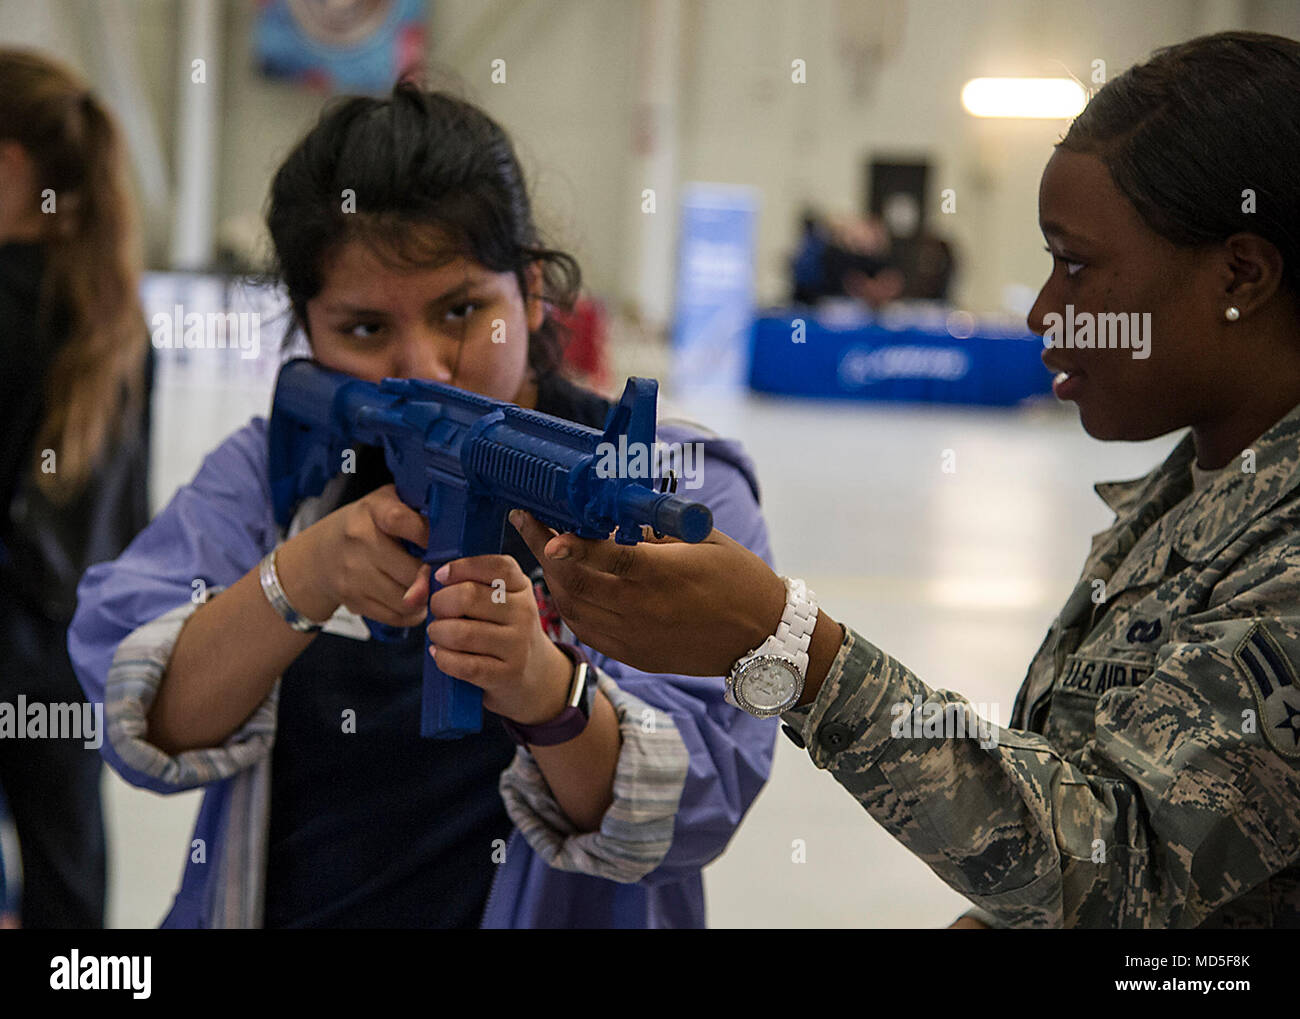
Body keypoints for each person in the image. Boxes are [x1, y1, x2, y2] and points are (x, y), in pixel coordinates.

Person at [507, 30, 1300, 928]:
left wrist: (786, 648)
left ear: (1241, 274)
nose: (1044, 311)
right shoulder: (1187, 493)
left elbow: (1119, 877)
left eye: (1075, 265)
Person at [68, 81, 776, 928]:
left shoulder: (672, 481)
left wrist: (548, 693)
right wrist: (301, 576)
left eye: (464, 310)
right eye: (365, 330)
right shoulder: (273, 476)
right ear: (307, 332)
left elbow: (699, 808)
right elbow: (145, 717)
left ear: (535, 290)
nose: (427, 365)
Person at [0, 49, 150, 929]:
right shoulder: (119, 318)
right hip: (71, 657)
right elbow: (126, 514)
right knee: (70, 882)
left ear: (11, 164)